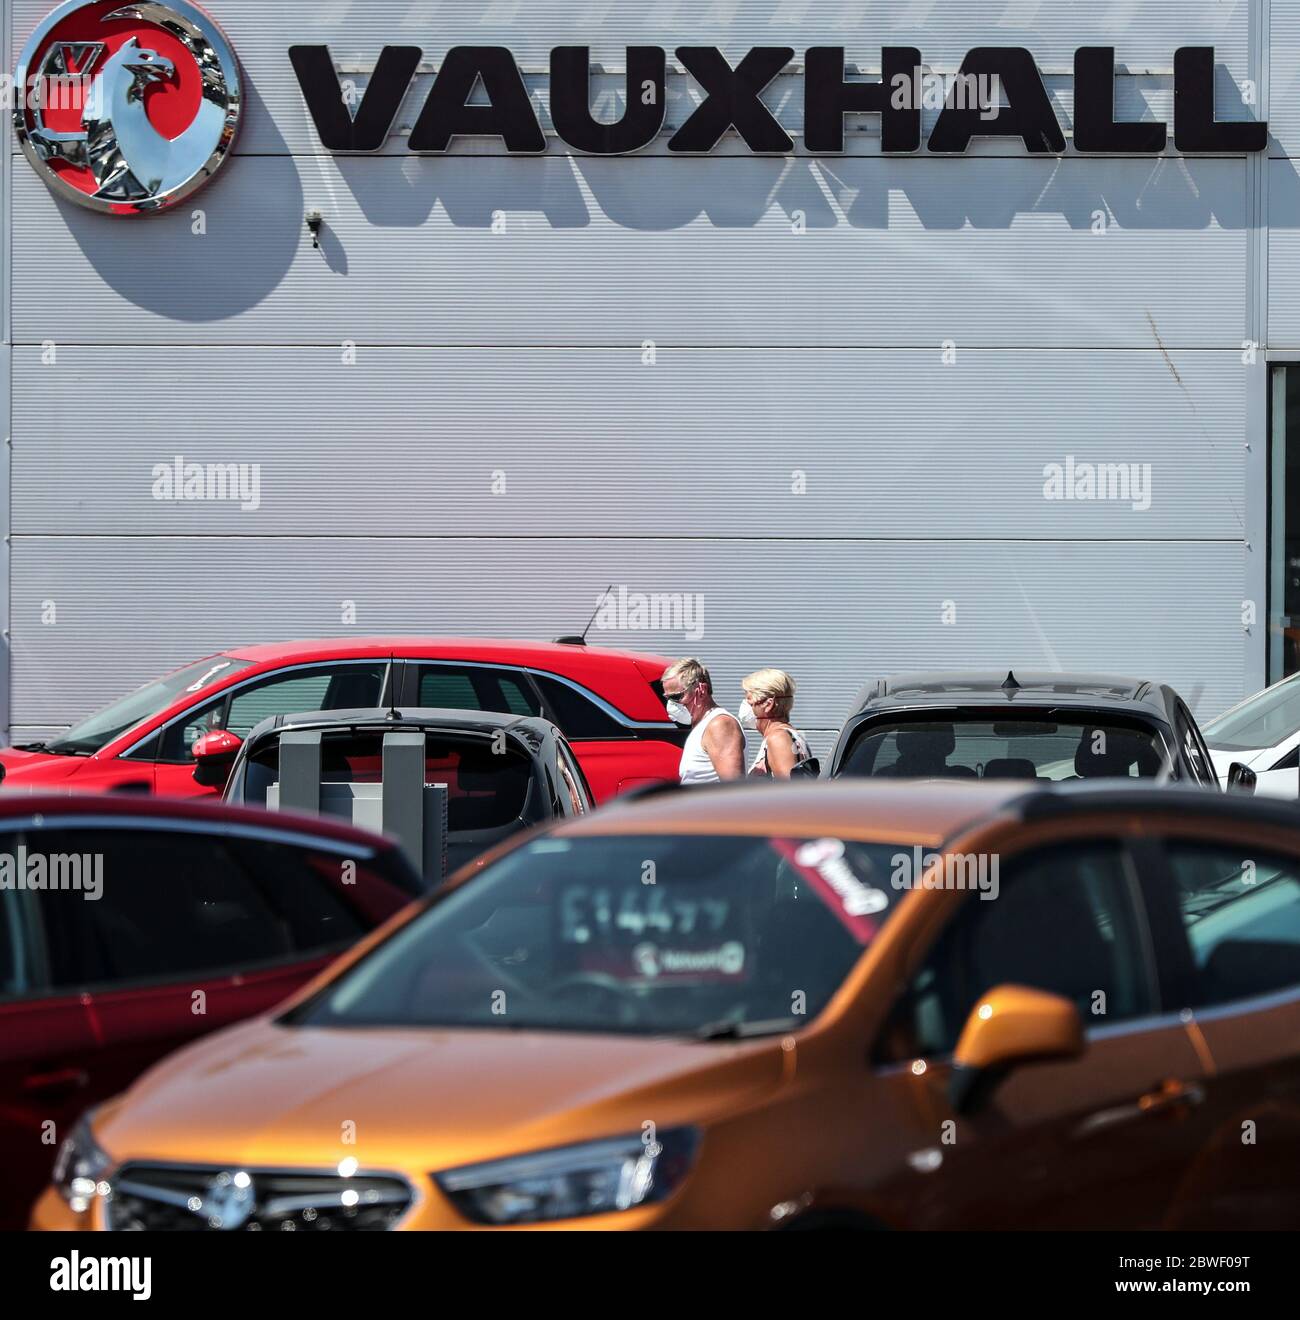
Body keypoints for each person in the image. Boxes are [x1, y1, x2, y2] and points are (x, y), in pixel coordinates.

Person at [662, 657, 744, 784]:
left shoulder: (720, 725)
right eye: (668, 698)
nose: (672, 704)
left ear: (702, 690)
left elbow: (734, 789)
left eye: (677, 696)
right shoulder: (703, 726)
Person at [739, 668, 812, 778]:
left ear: (768, 704)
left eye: (750, 702)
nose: (746, 707)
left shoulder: (778, 739)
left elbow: (788, 792)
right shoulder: (786, 735)